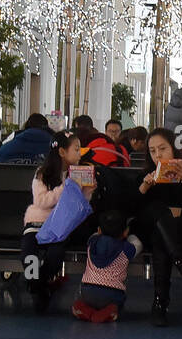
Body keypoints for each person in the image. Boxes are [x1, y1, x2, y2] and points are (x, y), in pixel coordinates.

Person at [131, 127, 182, 326]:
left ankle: (160, 304)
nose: (158, 155)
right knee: (157, 213)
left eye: (162, 149)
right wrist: (144, 188)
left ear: (173, 148)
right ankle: (180, 261)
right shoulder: (144, 176)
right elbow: (132, 209)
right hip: (151, 232)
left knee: (160, 236)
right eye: (153, 151)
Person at [20, 131, 93, 313]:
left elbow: (80, 206)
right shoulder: (42, 174)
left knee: (56, 254)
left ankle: (38, 285)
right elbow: (41, 201)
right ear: (62, 152)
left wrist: (88, 191)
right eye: (76, 150)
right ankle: (36, 284)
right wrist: (67, 186)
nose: (79, 154)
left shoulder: (80, 173)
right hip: (37, 222)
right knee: (29, 253)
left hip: (61, 225)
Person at [72, 208, 142, 324]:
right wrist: (130, 235)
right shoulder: (126, 249)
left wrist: (101, 233)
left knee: (79, 295)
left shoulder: (92, 242)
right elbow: (138, 244)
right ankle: (112, 309)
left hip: (88, 292)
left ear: (99, 230)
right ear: (125, 232)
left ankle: (81, 307)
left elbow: (95, 235)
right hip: (113, 294)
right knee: (119, 297)